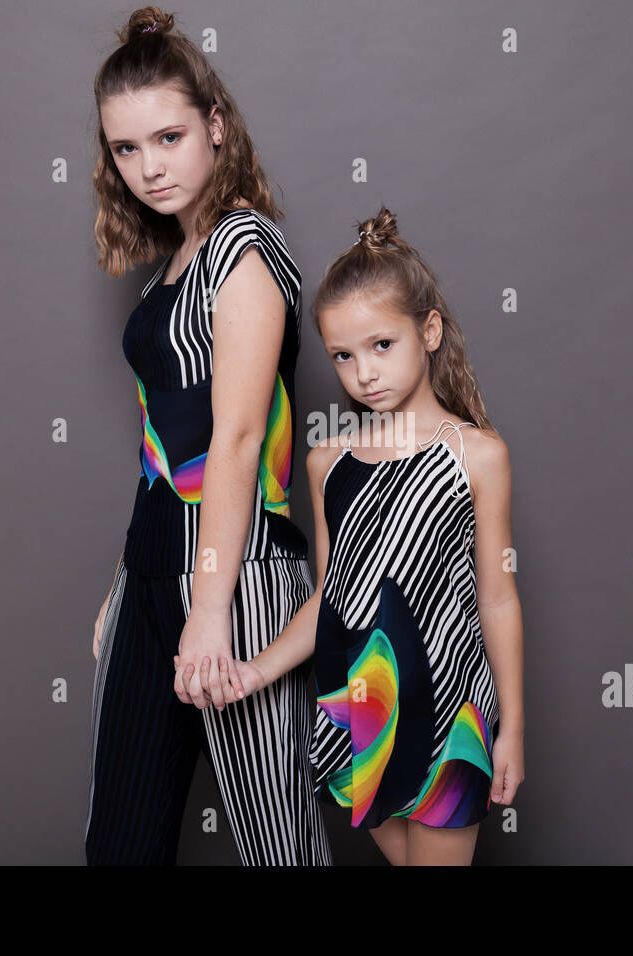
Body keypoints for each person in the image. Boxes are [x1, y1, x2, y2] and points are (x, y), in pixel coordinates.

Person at [83, 6, 331, 866]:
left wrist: (210, 607)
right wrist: (128, 579)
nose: (148, 168)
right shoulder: (171, 268)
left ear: (215, 127)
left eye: (169, 137)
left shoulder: (245, 250)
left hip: (239, 580)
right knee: (120, 844)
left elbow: (234, 440)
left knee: (277, 851)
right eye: (126, 149)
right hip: (154, 566)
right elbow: (163, 447)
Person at [216, 207, 526, 865]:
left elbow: (497, 597)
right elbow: (331, 598)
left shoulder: (477, 454)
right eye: (343, 357)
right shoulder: (328, 462)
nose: (364, 374)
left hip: (453, 714)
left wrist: (513, 730)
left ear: (430, 330)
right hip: (359, 711)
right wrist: (255, 671)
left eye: (382, 345)